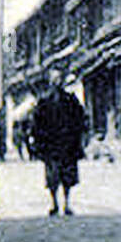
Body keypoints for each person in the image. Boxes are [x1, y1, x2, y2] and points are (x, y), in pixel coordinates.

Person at [30, 69, 86, 216]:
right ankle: (54, 203)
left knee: (67, 176)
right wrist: (37, 143)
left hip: (68, 144)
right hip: (50, 145)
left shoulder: (70, 99)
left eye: (59, 78)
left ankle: (67, 203)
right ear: (50, 81)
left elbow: (80, 119)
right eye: (54, 79)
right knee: (52, 176)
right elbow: (36, 124)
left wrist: (79, 138)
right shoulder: (43, 102)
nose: (56, 81)